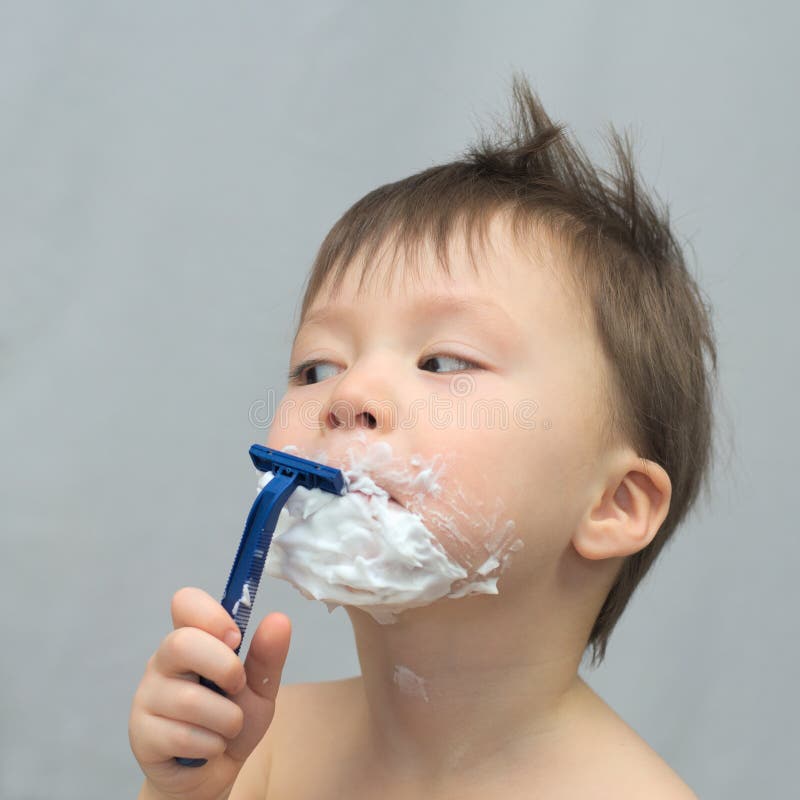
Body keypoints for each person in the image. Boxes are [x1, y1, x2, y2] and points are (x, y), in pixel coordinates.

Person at [129, 73, 717, 799]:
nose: (348, 396)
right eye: (316, 366)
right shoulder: (261, 753)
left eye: (442, 361)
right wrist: (180, 792)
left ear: (613, 505)